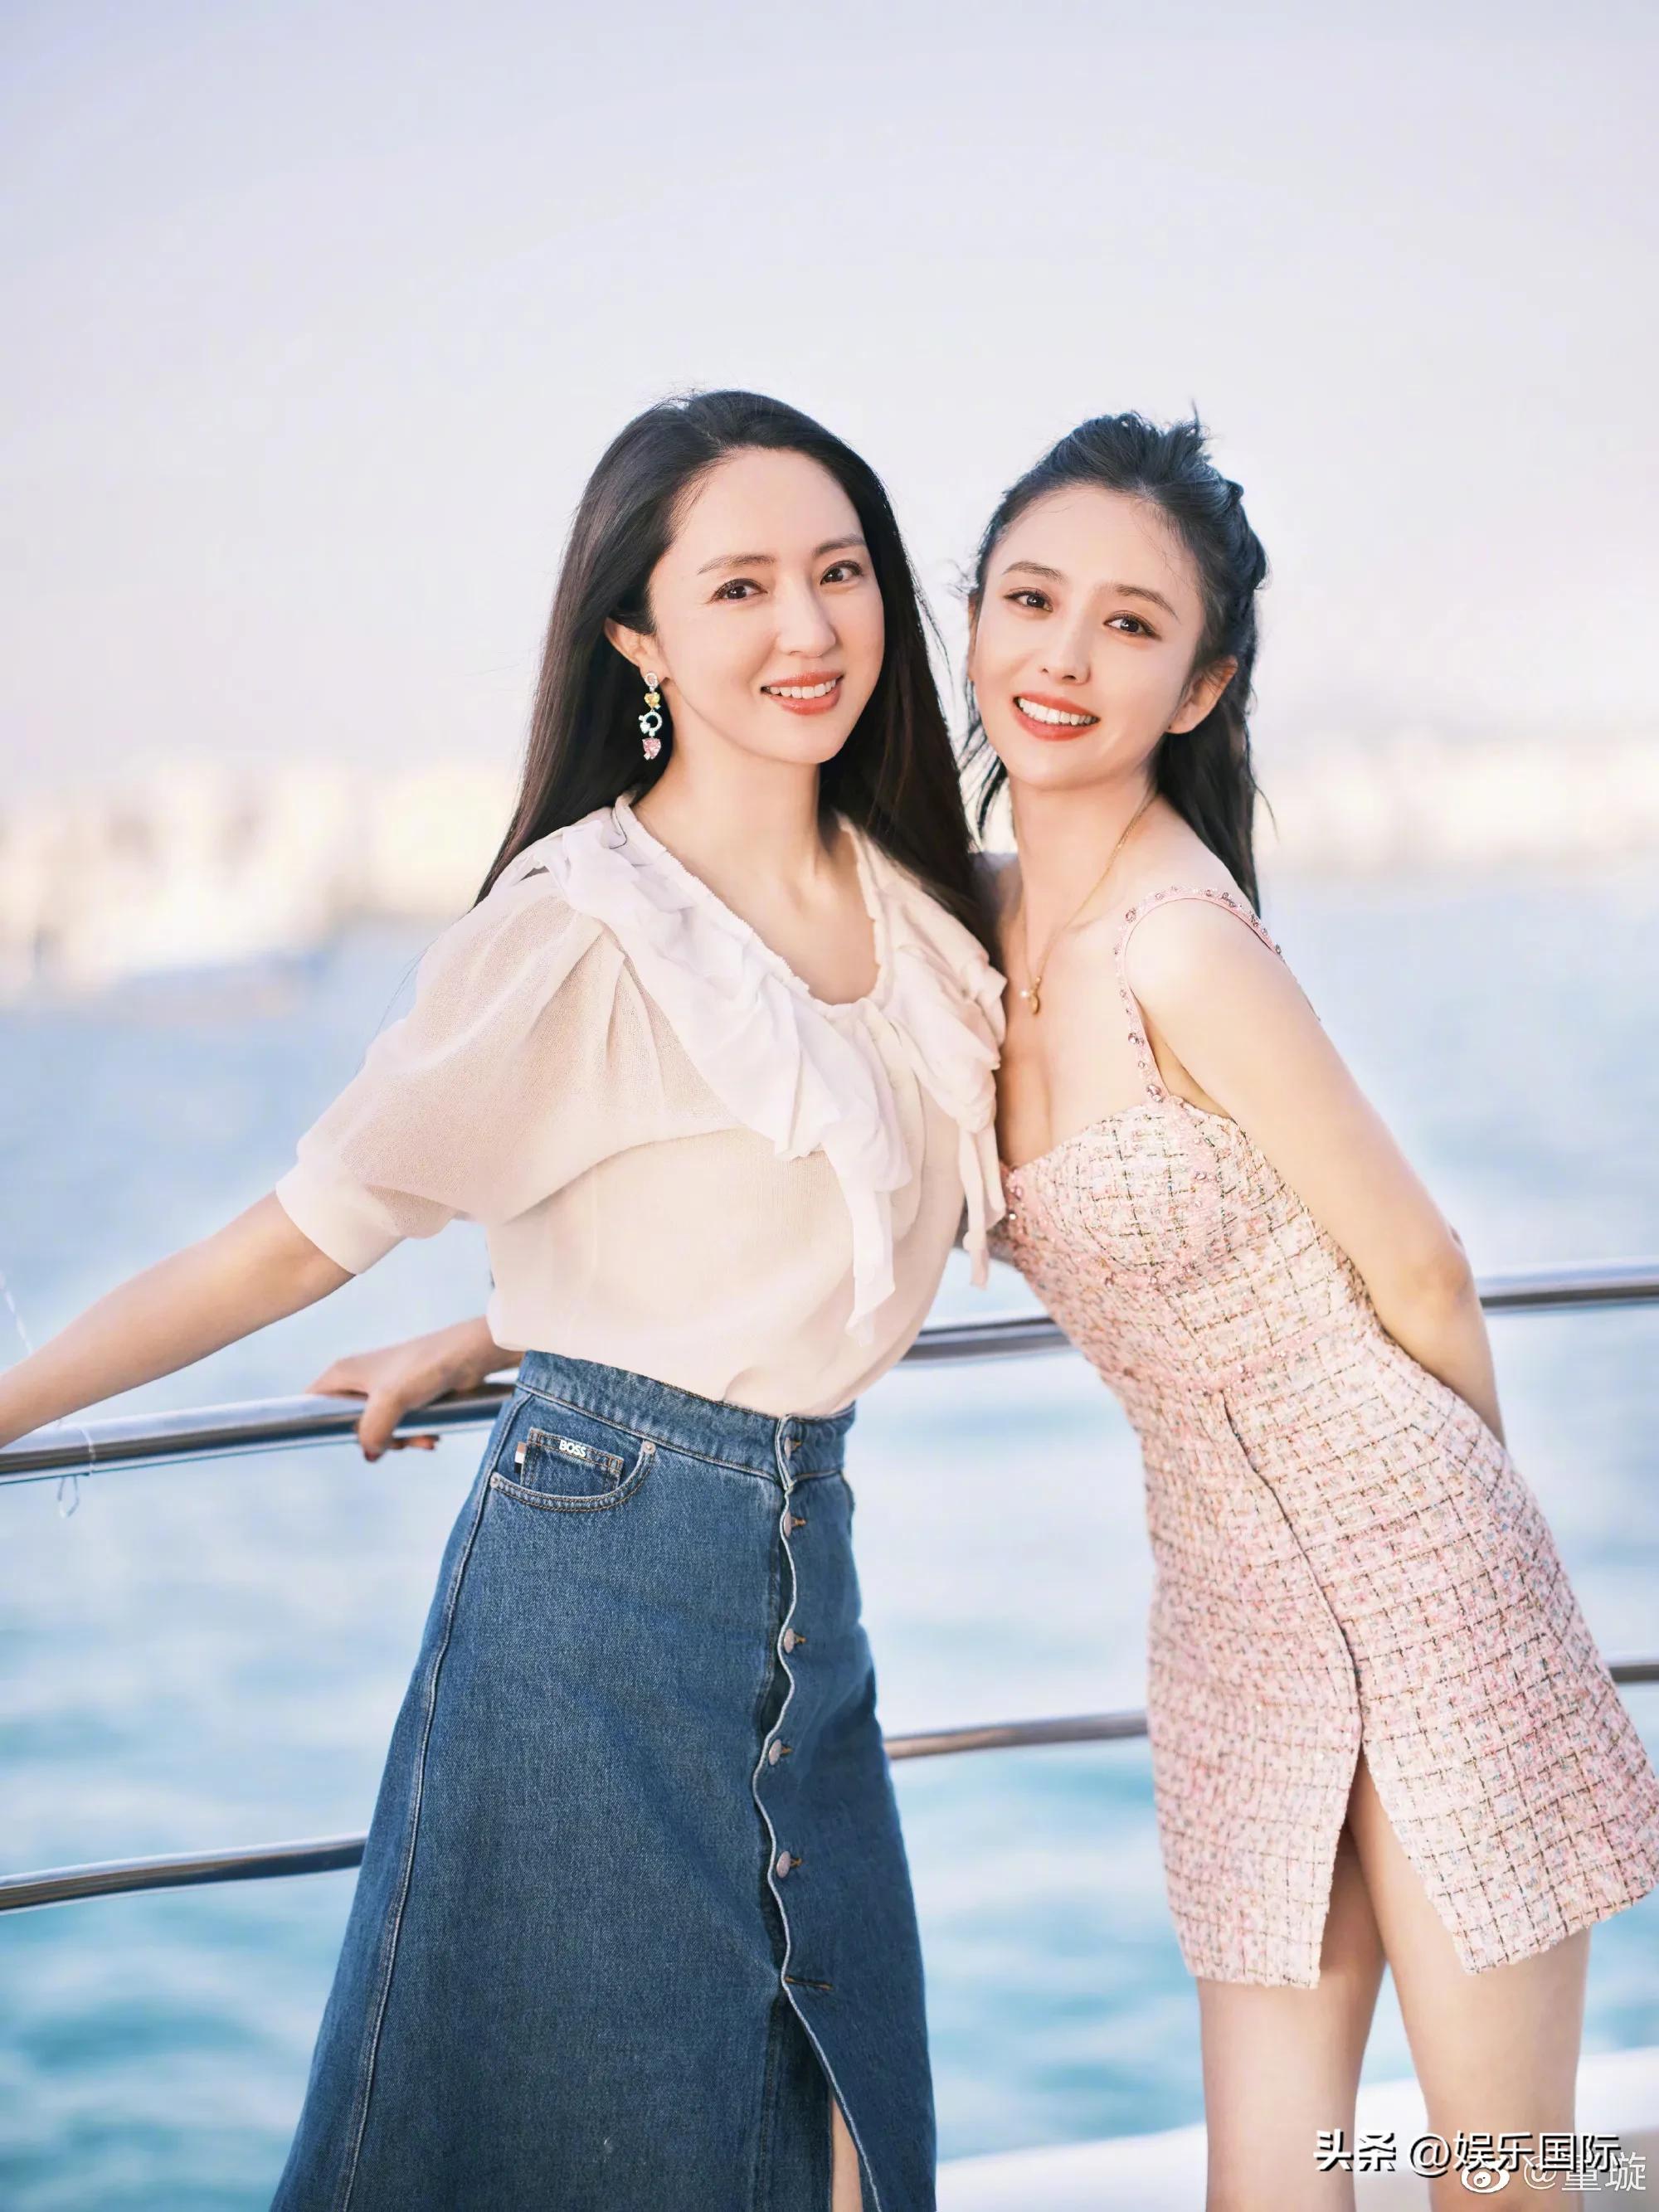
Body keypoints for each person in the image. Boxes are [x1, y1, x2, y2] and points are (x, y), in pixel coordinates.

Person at [0, 390, 1009, 2212]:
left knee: (846, 2147)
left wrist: (498, 1327)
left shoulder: (925, 913)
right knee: (557, 2142)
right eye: (741, 586)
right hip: (594, 1599)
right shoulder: (586, 922)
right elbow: (293, 1235)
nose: (807, 626)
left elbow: (743, 1247)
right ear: (635, 631)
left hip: (809, 1588)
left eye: (842, 570)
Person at [970, 411, 1659, 2210]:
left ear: (1198, 688)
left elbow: (1417, 1264)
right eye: (1030, 598)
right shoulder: (963, 934)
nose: (1064, 653)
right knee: (1266, 2188)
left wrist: (1477, 1576)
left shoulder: (1182, 941)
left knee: (1497, 2174)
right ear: (968, 622)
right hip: (1227, 1617)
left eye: (1129, 624)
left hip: (1419, 1567)